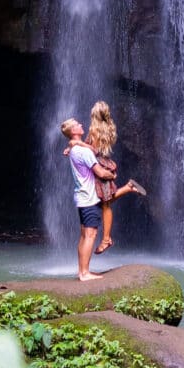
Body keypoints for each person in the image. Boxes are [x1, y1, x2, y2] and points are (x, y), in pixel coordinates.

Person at [86, 99, 146, 254]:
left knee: (105, 204)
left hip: (100, 166)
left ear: (95, 114)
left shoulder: (94, 131)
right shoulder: (110, 128)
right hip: (105, 164)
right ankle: (128, 187)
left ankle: (106, 239)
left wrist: (75, 144)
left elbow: (91, 150)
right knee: (104, 202)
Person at [60, 117, 114, 280]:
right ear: (73, 131)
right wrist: (112, 174)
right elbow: (100, 172)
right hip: (90, 198)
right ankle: (85, 273)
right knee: (90, 235)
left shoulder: (76, 150)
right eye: (77, 125)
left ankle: (82, 270)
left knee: (84, 236)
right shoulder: (83, 152)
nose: (81, 125)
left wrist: (72, 145)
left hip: (81, 197)